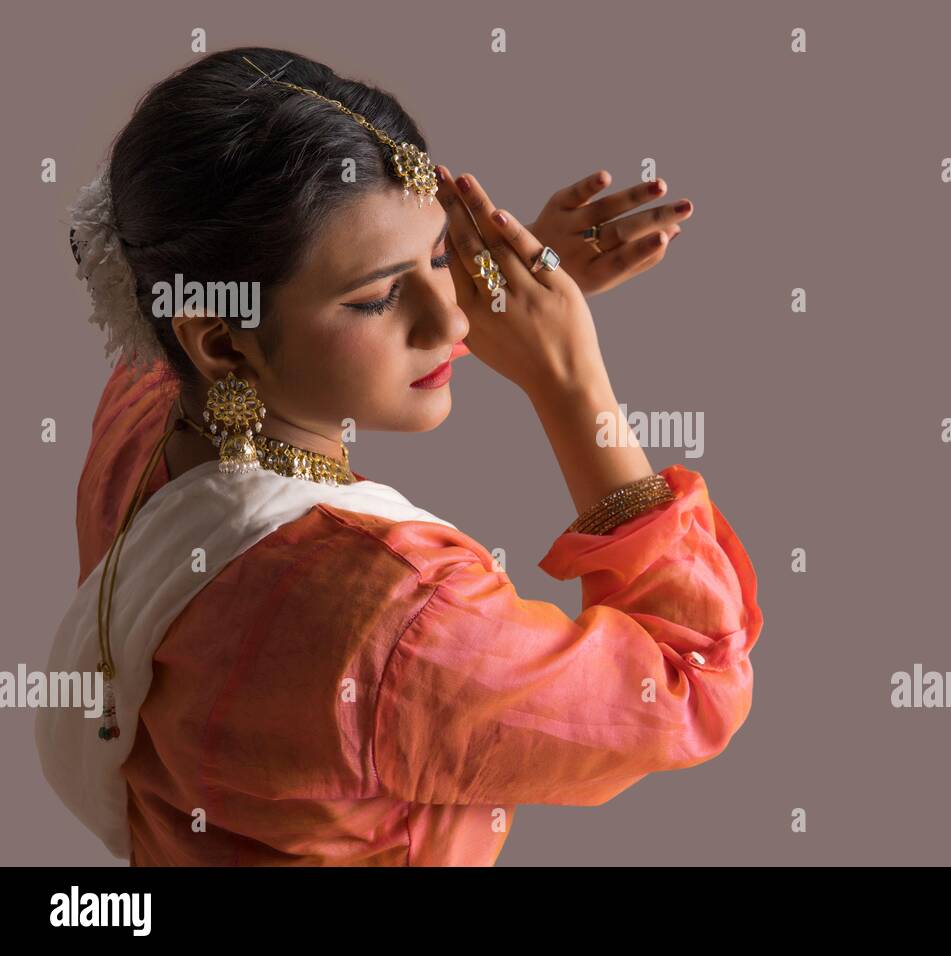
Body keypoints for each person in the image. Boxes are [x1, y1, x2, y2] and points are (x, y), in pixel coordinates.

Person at [35, 47, 762, 866]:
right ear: (223, 342)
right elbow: (691, 683)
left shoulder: (141, 408)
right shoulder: (403, 622)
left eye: (444, 257)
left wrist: (457, 294)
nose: (453, 320)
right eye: (380, 296)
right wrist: (571, 386)